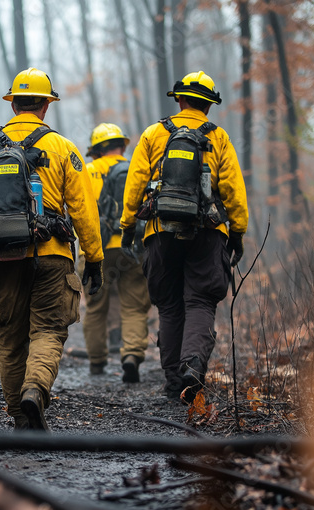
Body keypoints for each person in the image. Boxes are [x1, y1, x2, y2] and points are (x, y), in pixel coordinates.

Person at [0, 67, 104, 431]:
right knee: (48, 331)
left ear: (14, 103)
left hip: (0, 255)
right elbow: (83, 207)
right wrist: (94, 258)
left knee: (10, 336)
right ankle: (34, 390)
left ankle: (20, 418)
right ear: (46, 105)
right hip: (52, 255)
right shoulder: (63, 148)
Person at [119, 71, 248, 402]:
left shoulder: (153, 134)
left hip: (160, 232)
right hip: (208, 233)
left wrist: (127, 225)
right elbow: (233, 190)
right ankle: (193, 368)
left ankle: (174, 380)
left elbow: (134, 185)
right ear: (209, 105)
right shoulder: (218, 138)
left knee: (170, 305)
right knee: (200, 301)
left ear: (178, 99)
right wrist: (237, 231)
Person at [83, 123, 152, 382]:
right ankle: (131, 355)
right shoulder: (137, 170)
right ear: (122, 145)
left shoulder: (86, 171)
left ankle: (97, 362)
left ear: (96, 150)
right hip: (132, 246)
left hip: (95, 249)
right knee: (134, 307)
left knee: (95, 307)